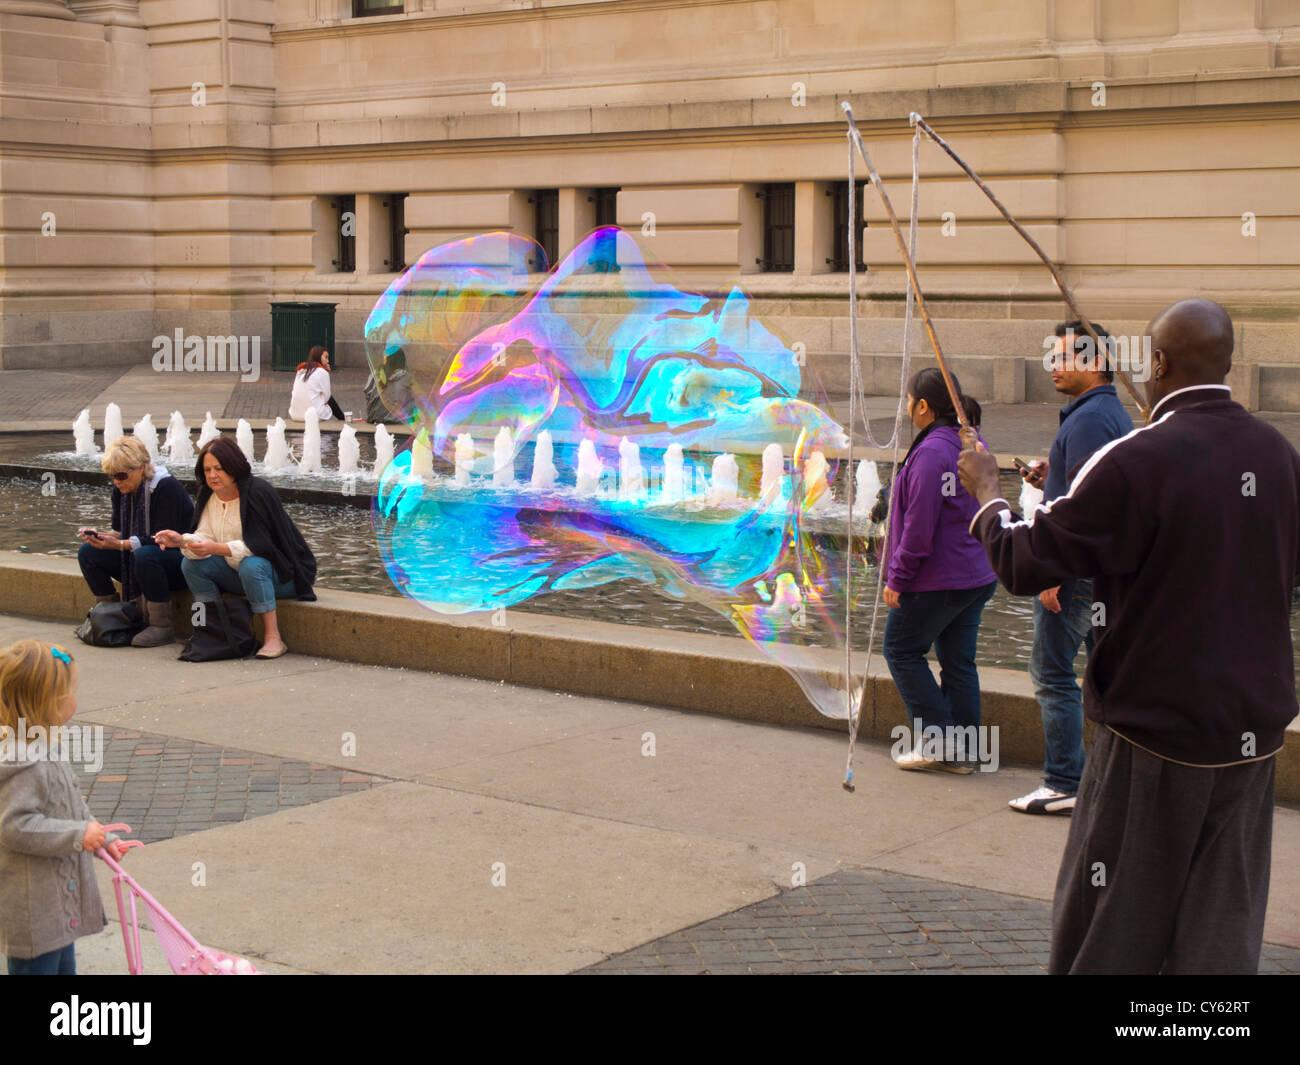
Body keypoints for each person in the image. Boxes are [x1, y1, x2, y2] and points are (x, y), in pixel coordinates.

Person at [957, 298, 1300, 974]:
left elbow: (1026, 562)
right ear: (1228, 364)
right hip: (1250, 736)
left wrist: (989, 496)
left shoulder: (1136, 458)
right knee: (1221, 921)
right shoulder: (1279, 454)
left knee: (1112, 917)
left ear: (1160, 362)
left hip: (1152, 734)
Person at [1010, 322, 1133, 815]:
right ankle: (1102, 781)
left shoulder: (1088, 420)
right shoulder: (1101, 413)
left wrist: (1053, 573)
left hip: (1075, 574)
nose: (1054, 366)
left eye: (1065, 357)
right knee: (1101, 676)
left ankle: (1065, 782)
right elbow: (1086, 488)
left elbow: (1088, 511)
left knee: (1051, 673)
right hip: (1095, 573)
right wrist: (1049, 475)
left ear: (1095, 361)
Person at [881, 368, 998, 773]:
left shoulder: (932, 452)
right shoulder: (971, 441)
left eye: (909, 400)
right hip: (976, 574)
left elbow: (919, 529)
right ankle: (965, 753)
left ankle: (938, 741)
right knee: (958, 662)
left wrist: (897, 578)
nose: (907, 408)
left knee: (900, 649)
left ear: (924, 406)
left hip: (939, 579)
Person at [0, 640, 132, 974]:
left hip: (55, 902)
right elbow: (15, 826)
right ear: (47, 704)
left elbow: (68, 806)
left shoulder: (44, 747)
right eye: (70, 691)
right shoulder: (23, 762)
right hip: (34, 908)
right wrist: (78, 834)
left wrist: (100, 837)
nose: (75, 698)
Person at [154, 437, 317, 660]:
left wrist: (216, 548)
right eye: (207, 469)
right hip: (237, 571)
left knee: (252, 565)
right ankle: (204, 629)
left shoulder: (258, 492)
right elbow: (204, 536)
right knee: (190, 564)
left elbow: (261, 546)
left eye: (219, 469)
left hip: (283, 575)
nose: (212, 475)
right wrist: (182, 541)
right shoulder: (207, 494)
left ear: (233, 466)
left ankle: (273, 637)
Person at [76, 435, 194, 647]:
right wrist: (100, 536)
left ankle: (161, 626)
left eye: (121, 475)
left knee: (145, 554)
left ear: (140, 467)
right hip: (142, 559)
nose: (116, 481)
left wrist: (120, 544)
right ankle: (111, 616)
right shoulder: (120, 490)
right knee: (88, 552)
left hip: (179, 562)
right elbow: (120, 533)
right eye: (112, 476)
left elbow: (162, 539)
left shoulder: (166, 487)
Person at [288, 345, 344, 422]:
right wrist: (326, 372)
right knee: (328, 399)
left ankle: (342, 418)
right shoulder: (322, 372)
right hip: (314, 415)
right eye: (326, 357)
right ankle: (342, 419)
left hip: (295, 414)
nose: (328, 361)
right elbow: (326, 397)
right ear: (318, 357)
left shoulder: (301, 371)